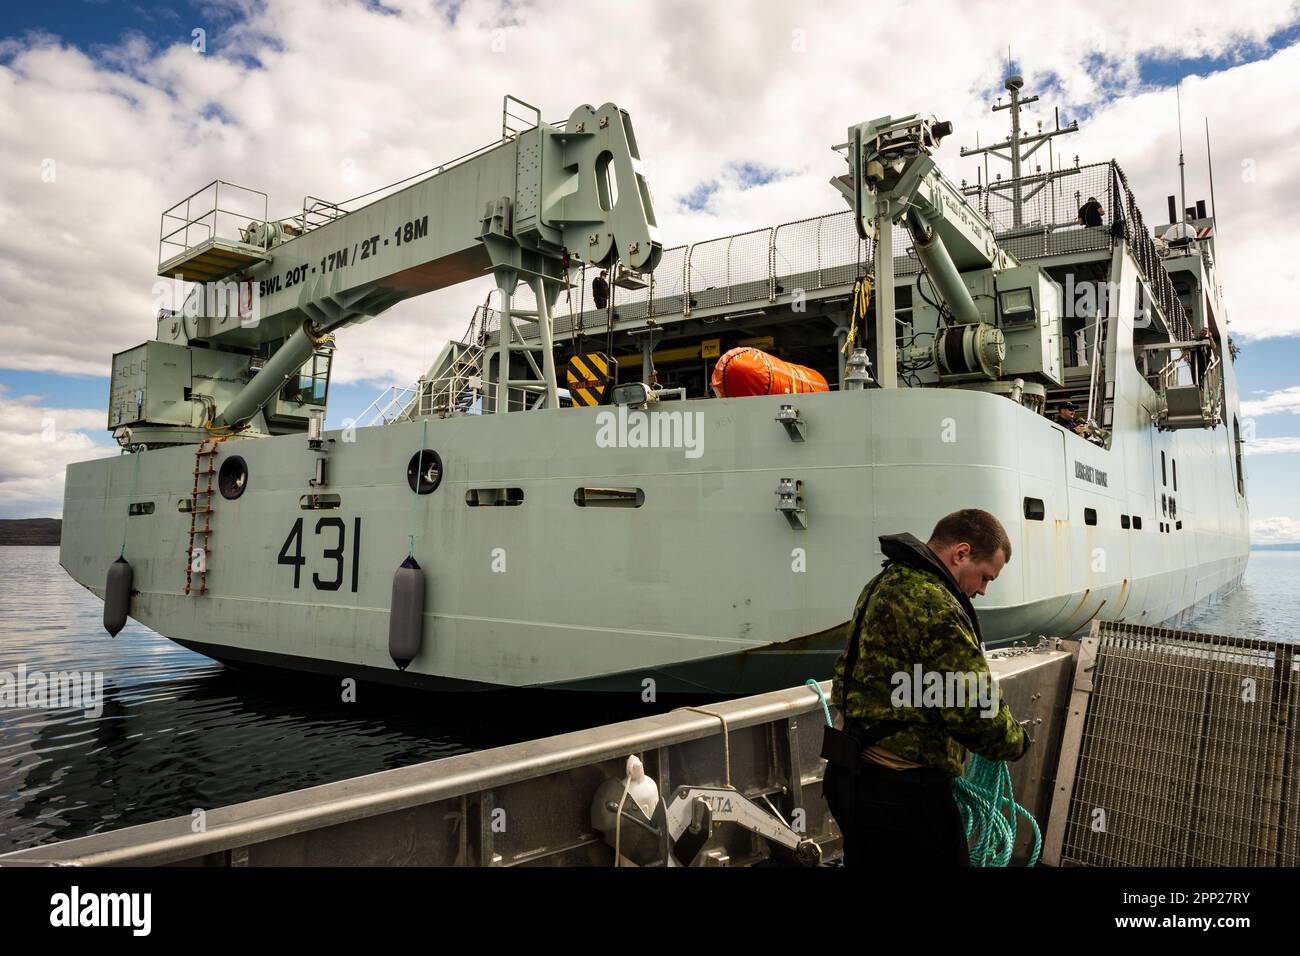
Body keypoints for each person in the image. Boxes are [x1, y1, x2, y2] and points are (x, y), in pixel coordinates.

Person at [821, 510, 1031, 867]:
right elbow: (974, 711)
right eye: (984, 577)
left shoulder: (883, 583)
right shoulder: (935, 604)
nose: (982, 589)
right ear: (961, 553)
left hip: (848, 778)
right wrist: (1017, 742)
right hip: (900, 795)